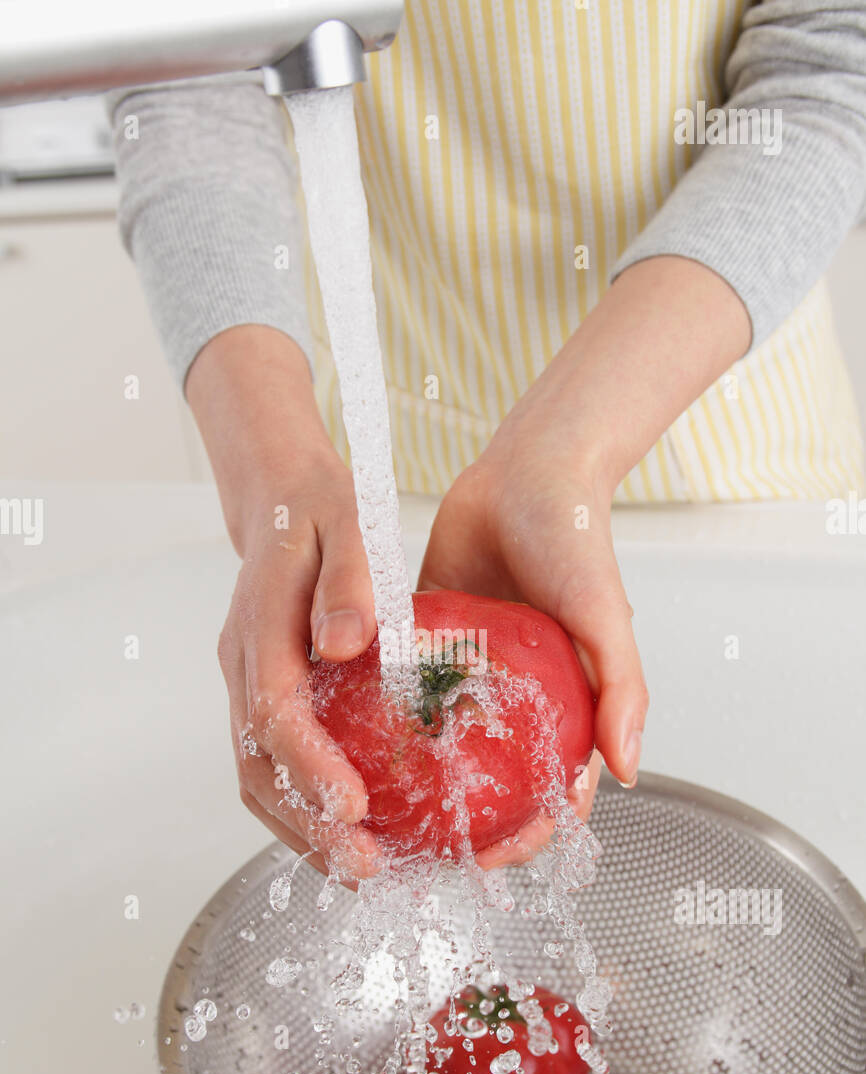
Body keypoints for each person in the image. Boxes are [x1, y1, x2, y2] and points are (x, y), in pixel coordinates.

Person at [108, 0, 866, 879]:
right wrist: (276, 473)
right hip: (377, 479)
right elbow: (187, 78)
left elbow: (829, 69)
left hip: (738, 449)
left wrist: (569, 447)